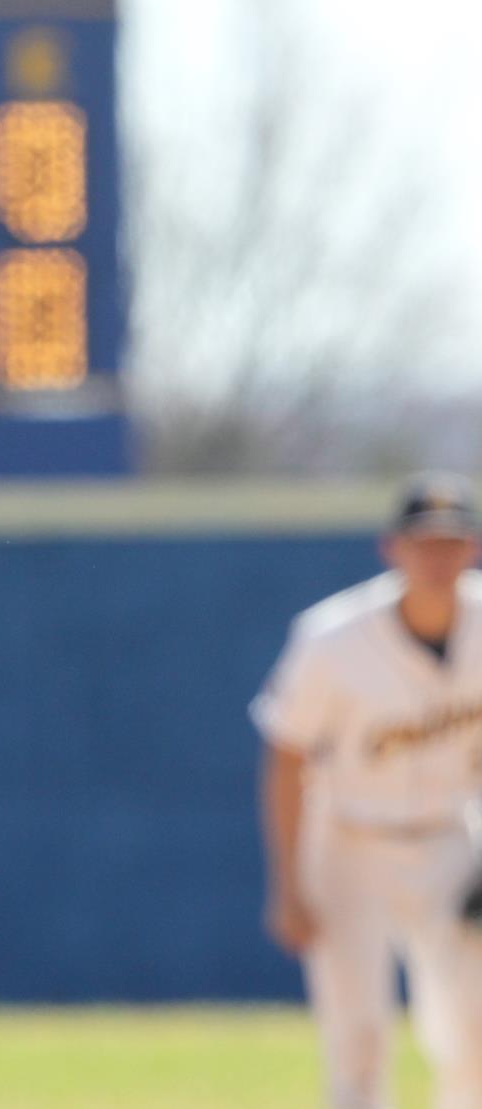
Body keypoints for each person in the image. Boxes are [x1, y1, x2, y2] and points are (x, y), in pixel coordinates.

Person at [253, 473, 482, 1109]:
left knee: (473, 1031)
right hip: (349, 841)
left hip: (452, 837)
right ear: (392, 548)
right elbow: (286, 753)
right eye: (424, 542)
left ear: (474, 549)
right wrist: (288, 882)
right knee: (357, 1033)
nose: (438, 557)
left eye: (453, 541)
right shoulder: (332, 637)